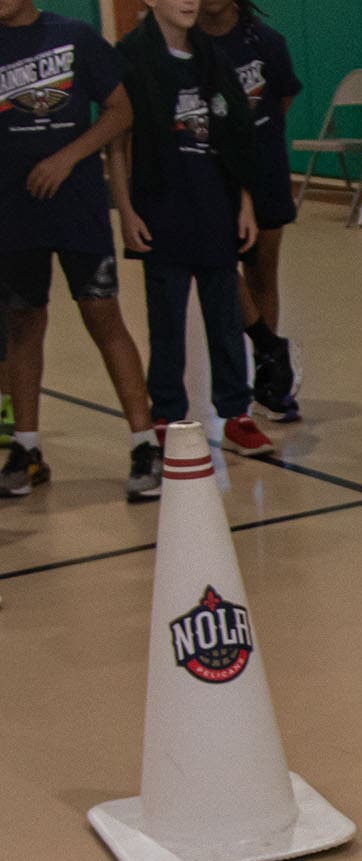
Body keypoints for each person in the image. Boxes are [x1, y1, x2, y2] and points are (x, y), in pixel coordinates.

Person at [0, 0, 161, 500]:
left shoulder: (74, 35)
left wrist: (66, 158)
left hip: (78, 208)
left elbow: (121, 110)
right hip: (14, 211)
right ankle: (26, 449)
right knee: (23, 323)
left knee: (102, 314)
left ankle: (144, 444)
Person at [108, 0, 277, 459]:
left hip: (215, 210)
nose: (189, 1)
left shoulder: (213, 59)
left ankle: (236, 413)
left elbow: (238, 137)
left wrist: (244, 204)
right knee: (166, 323)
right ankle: (166, 413)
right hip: (161, 212)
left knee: (225, 321)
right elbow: (117, 144)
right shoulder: (130, 58)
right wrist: (126, 211)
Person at [196, 0, 301, 422]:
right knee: (217, 264)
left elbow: (283, 98)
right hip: (209, 174)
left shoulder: (266, 43)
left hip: (264, 173)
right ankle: (267, 343)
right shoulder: (185, 43)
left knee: (262, 274)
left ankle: (268, 376)